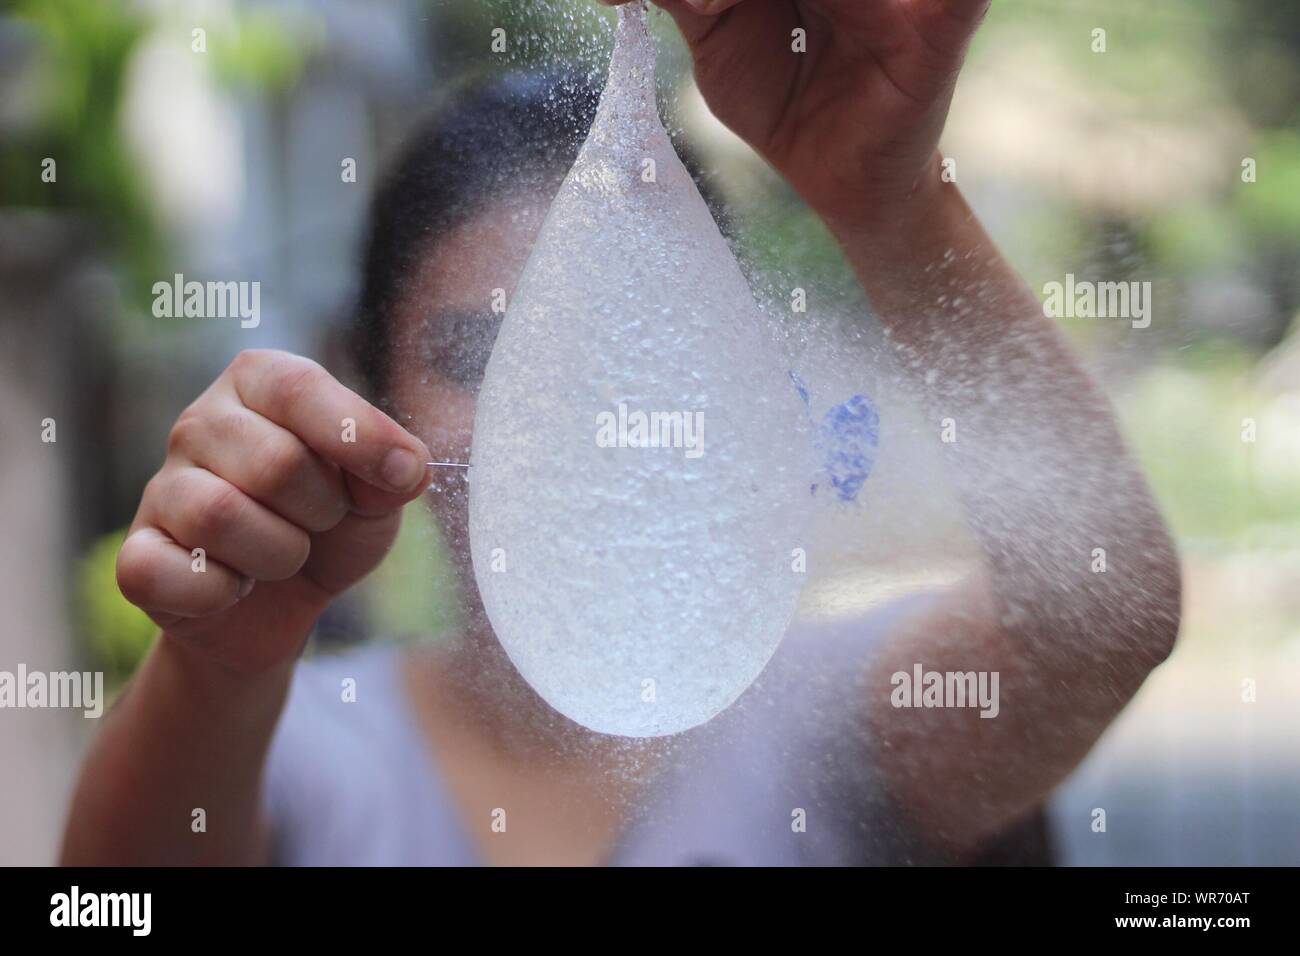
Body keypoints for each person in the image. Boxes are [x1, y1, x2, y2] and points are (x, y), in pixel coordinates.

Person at [61, 0, 1180, 866]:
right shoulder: (296, 745)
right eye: (470, 356)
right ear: (371, 395)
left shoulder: (831, 719)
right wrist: (215, 665)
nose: (563, 418)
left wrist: (883, 193)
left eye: (634, 352)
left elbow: (1102, 616)